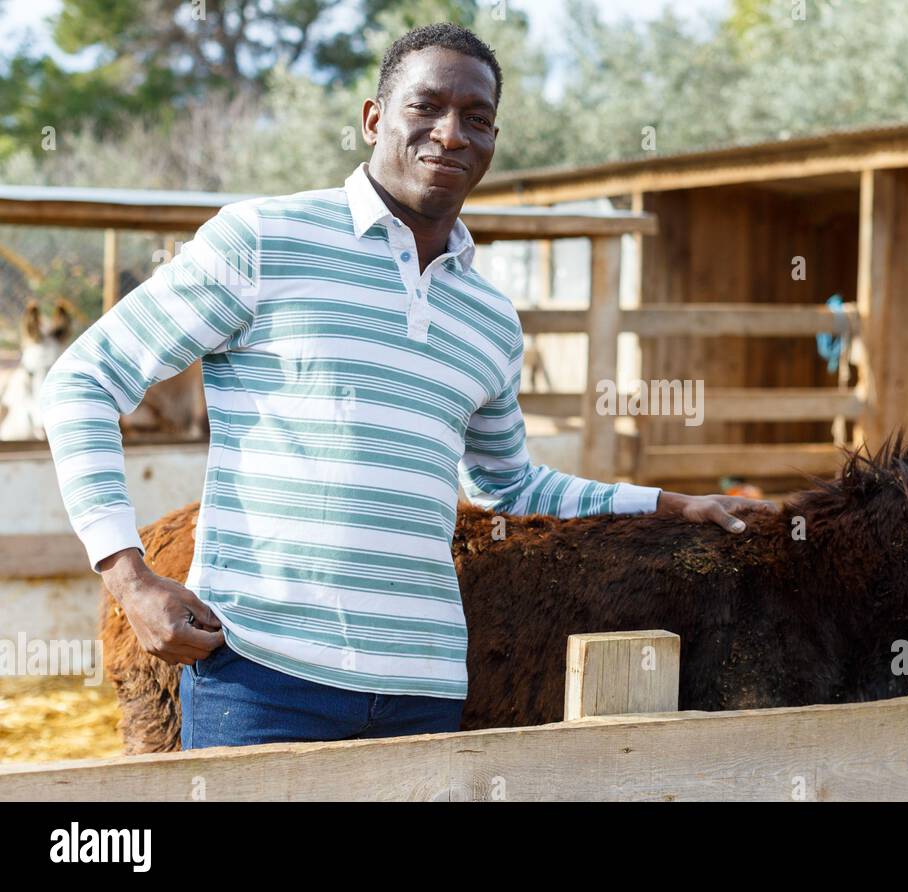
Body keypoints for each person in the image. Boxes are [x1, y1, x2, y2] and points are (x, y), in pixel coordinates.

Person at [41, 22, 775, 749]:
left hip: (422, 693)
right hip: (261, 677)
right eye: (426, 107)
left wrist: (665, 502)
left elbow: (510, 487)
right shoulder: (262, 241)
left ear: (492, 142)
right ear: (373, 120)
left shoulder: (488, 319)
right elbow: (80, 381)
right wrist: (128, 576)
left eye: (477, 119)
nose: (451, 134)